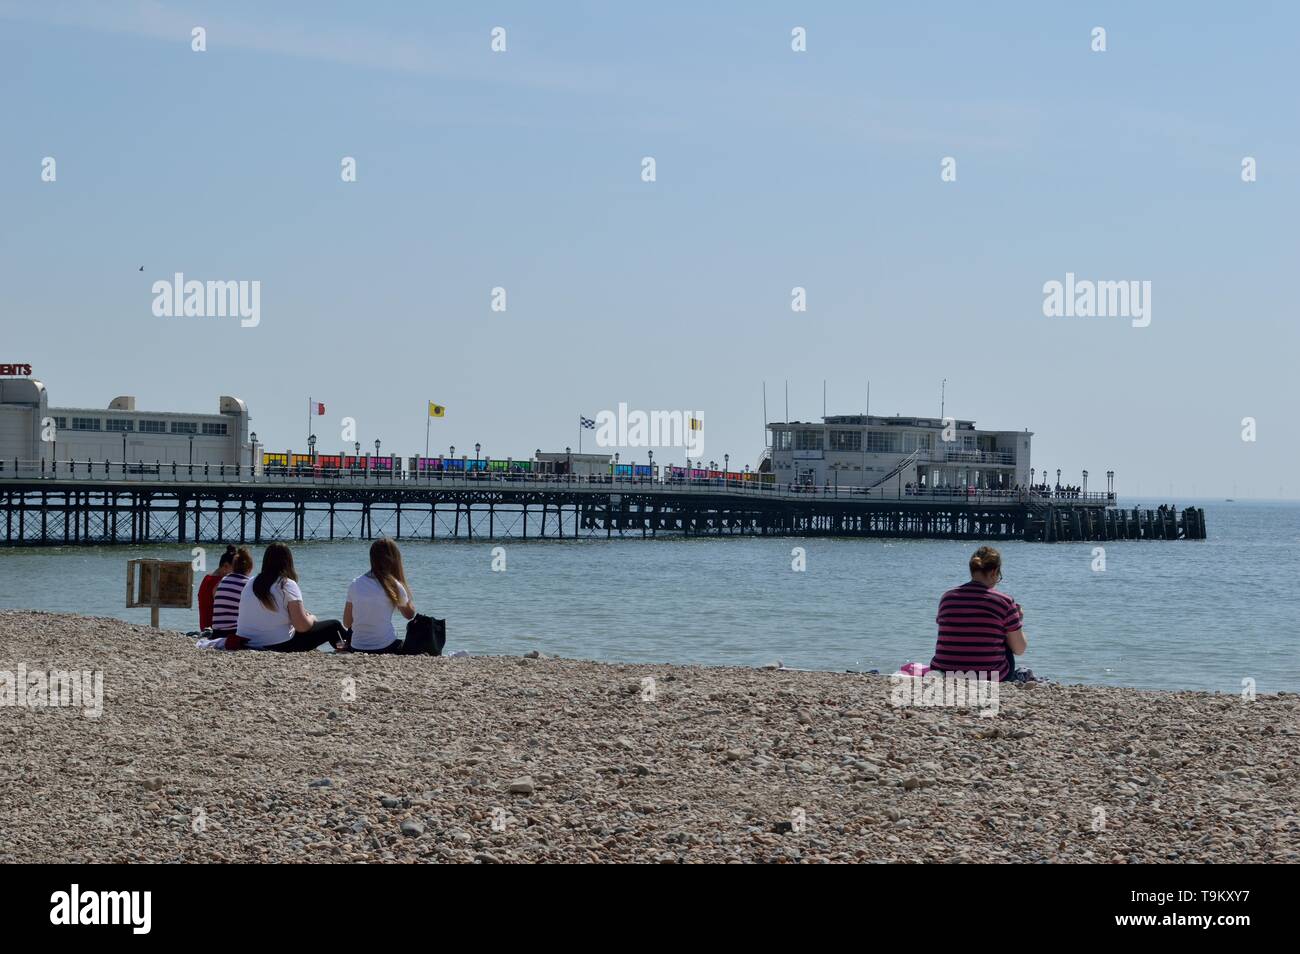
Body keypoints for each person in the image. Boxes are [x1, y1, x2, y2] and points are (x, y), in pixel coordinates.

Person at [930, 546, 1027, 682]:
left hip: (945, 672)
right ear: (994, 572)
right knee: (1004, 636)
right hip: (988, 676)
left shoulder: (947, 597)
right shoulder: (1004, 601)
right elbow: (1019, 649)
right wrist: (1017, 620)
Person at [236, 543, 347, 651]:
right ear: (288, 562)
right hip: (277, 644)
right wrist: (312, 618)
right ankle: (349, 648)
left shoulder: (251, 582)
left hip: (248, 643)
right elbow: (302, 626)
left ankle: (342, 648)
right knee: (334, 626)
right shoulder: (286, 584)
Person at [343, 539, 416, 654]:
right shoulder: (395, 585)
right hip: (386, 646)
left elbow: (347, 623)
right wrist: (403, 585)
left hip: (357, 646)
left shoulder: (355, 583)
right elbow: (409, 615)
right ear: (394, 560)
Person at [211, 547, 254, 646]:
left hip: (216, 632)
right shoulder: (248, 584)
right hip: (233, 633)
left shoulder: (223, 580)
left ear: (233, 567)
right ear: (250, 568)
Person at [197, 545, 237, 630]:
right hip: (215, 630)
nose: (236, 573)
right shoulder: (221, 583)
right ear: (225, 566)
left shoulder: (207, 578)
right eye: (235, 569)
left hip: (205, 627)